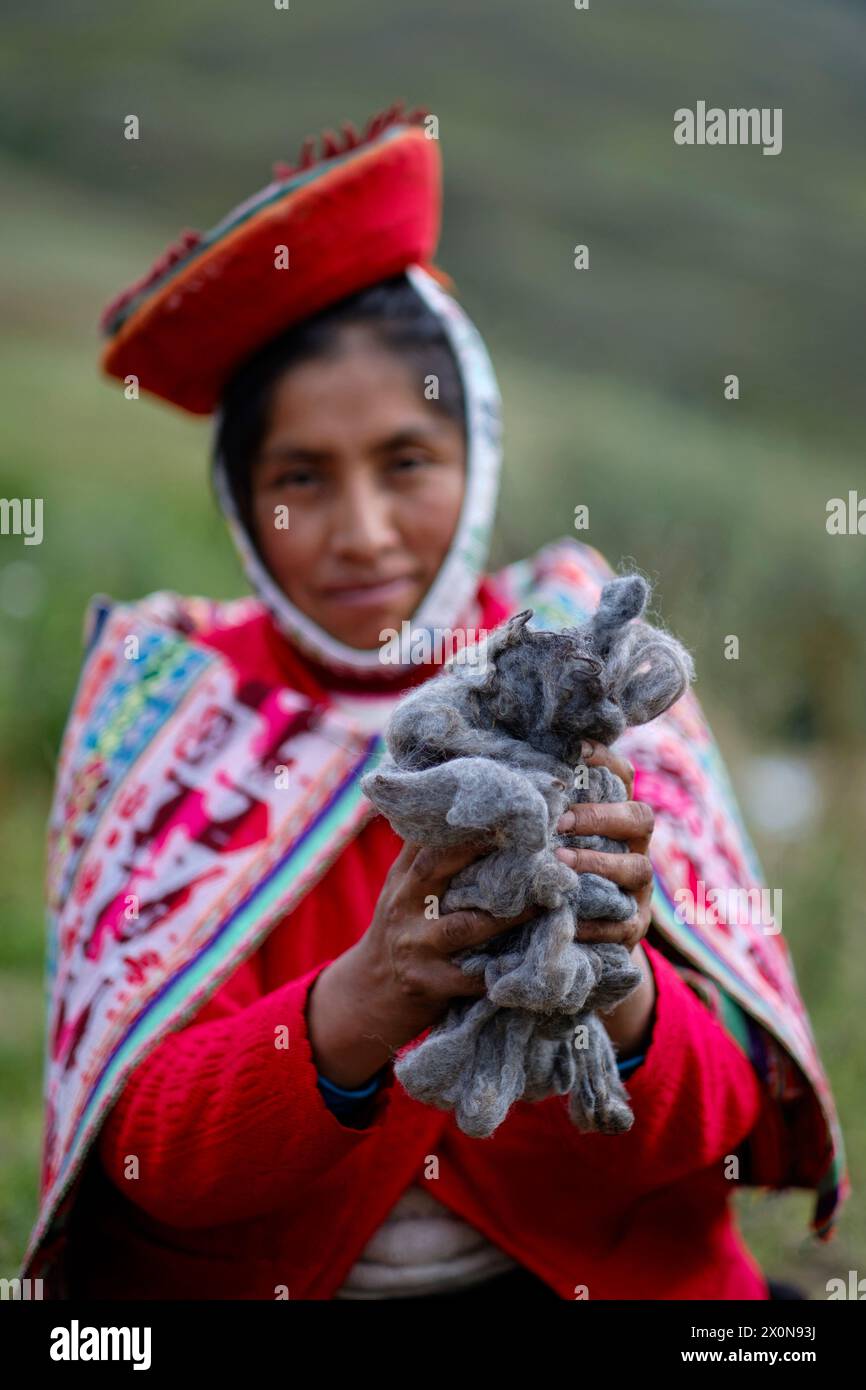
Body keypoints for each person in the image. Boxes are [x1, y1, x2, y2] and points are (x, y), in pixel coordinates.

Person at [21, 101, 847, 1301]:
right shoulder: (171, 710)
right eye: (301, 477)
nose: (360, 534)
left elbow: (716, 1126)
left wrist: (615, 987)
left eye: (405, 462)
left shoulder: (583, 672)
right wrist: (364, 999)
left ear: (478, 463)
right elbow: (147, 1158)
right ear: (244, 504)